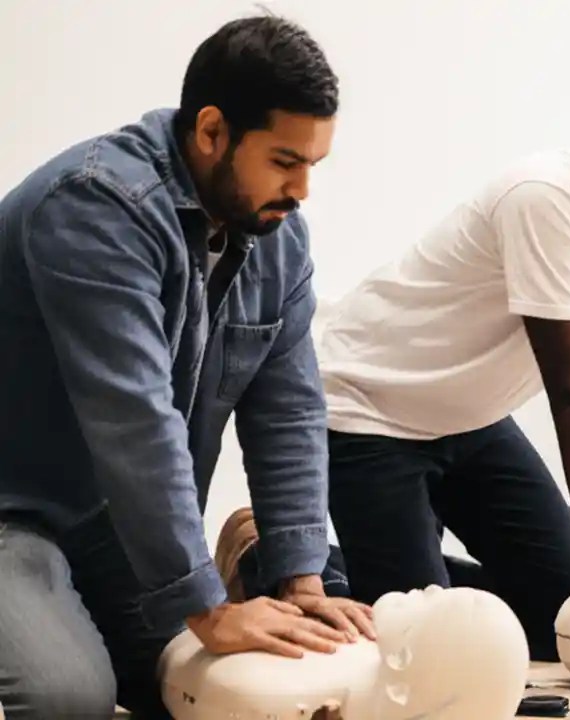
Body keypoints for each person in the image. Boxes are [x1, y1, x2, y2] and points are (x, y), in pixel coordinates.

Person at [287, 73, 570, 662]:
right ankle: (286, 567)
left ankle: (417, 579)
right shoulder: (546, 197)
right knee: (428, 650)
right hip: (372, 411)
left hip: (472, 420)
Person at [0, 15, 368, 719]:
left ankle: (240, 563)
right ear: (210, 132)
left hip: (104, 515)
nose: (302, 190)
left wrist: (301, 579)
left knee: (232, 688)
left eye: (312, 166)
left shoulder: (277, 235)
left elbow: (288, 409)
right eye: (285, 161)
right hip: (14, 507)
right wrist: (203, 605)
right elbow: (132, 418)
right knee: (66, 697)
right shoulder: (94, 208)